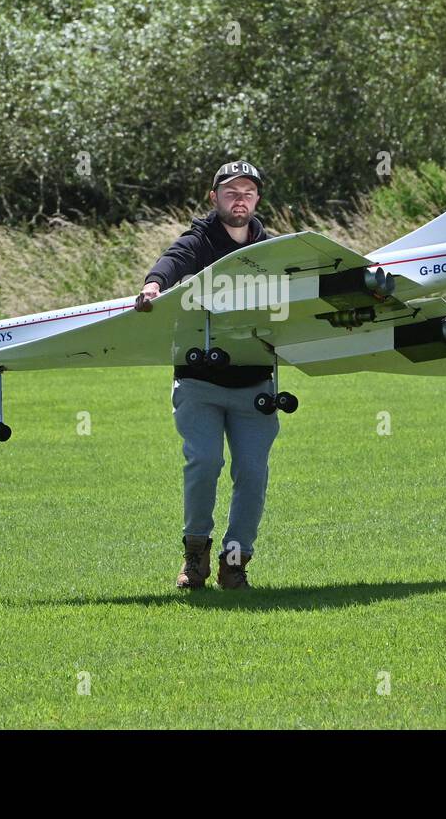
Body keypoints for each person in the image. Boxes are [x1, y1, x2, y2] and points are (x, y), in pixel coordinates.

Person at [135, 160, 280, 590]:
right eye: (231, 192)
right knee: (205, 461)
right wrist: (153, 286)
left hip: (255, 383)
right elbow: (171, 262)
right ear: (214, 197)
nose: (240, 200)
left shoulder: (271, 250)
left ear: (257, 200)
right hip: (199, 381)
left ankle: (235, 562)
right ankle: (194, 555)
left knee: (252, 473)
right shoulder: (199, 241)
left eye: (248, 193)